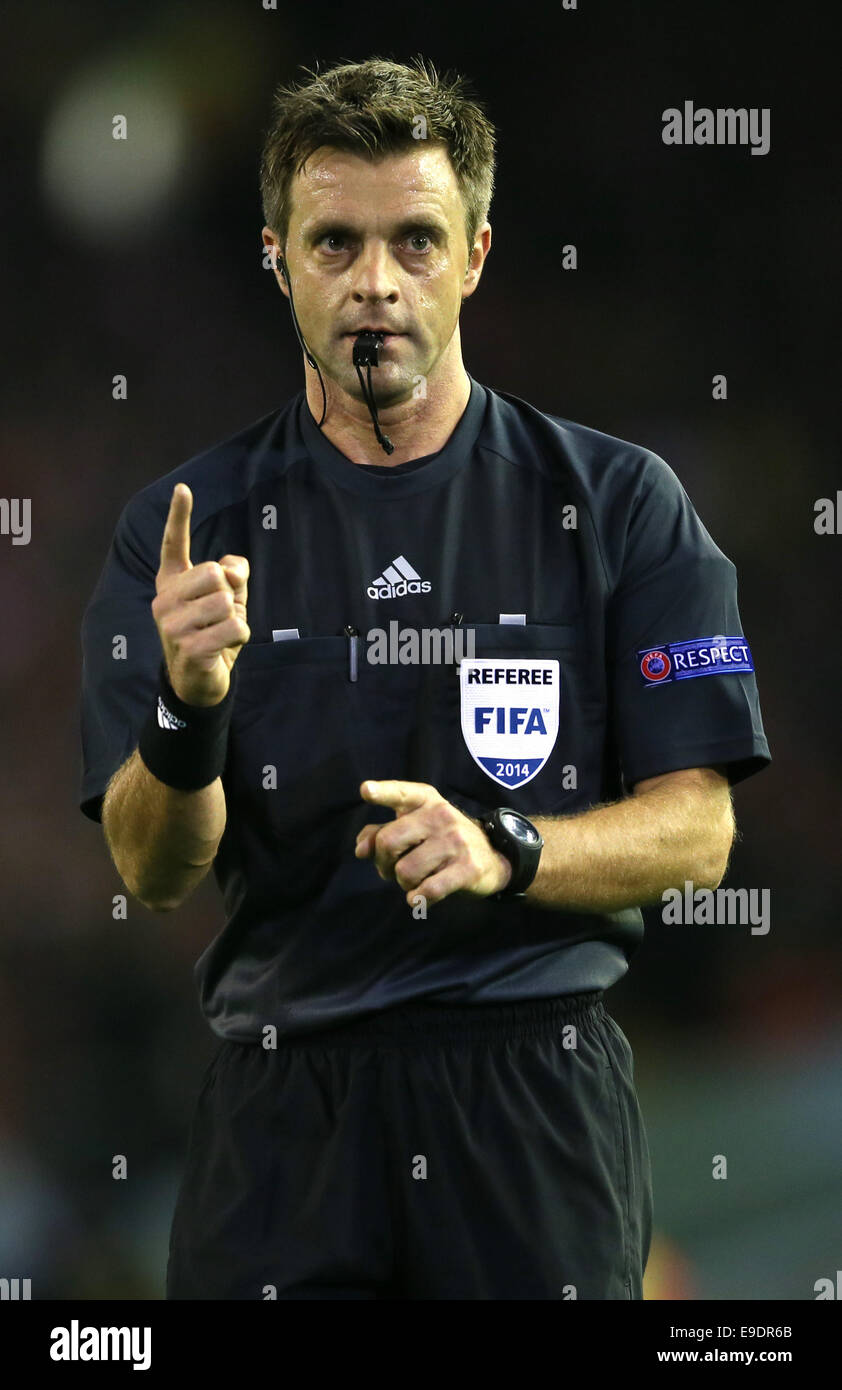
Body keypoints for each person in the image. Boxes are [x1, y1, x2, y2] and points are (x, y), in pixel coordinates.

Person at [78, 56, 771, 1300]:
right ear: (277, 260)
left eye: (414, 240)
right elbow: (152, 864)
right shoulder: (185, 527)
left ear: (477, 255)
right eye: (334, 242)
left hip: (530, 1093)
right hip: (282, 1106)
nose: (374, 282)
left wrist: (512, 846)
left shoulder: (615, 505)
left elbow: (701, 829)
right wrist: (188, 701)